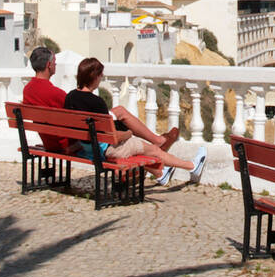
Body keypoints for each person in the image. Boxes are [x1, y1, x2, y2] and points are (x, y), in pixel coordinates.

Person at [66, 57, 205, 186]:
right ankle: (192, 166)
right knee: (154, 151)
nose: (101, 78)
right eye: (100, 75)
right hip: (106, 151)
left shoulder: (70, 97)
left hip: (85, 148)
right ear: (94, 77)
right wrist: (129, 133)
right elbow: (113, 137)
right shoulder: (97, 102)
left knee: (139, 146)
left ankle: (160, 174)